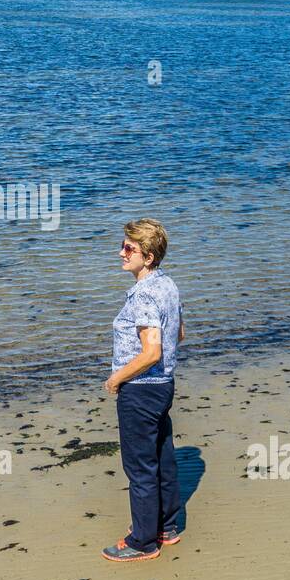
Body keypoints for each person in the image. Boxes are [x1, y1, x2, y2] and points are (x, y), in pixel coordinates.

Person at [101, 218, 184, 562]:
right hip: (163, 385)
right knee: (161, 457)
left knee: (140, 467)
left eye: (129, 248)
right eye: (123, 245)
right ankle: (167, 526)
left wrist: (117, 378)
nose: (121, 252)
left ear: (147, 257)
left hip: (140, 388)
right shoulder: (167, 285)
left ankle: (143, 541)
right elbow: (178, 334)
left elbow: (152, 351)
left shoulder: (145, 293)